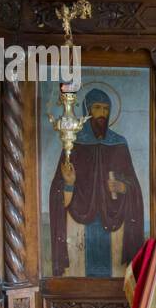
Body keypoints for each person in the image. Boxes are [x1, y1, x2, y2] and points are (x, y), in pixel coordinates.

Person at [49, 87, 145, 277]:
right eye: (97, 108)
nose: (102, 114)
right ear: (87, 111)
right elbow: (57, 191)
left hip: (115, 221)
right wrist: (69, 183)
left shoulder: (118, 144)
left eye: (106, 109)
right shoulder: (74, 144)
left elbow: (134, 186)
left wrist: (123, 186)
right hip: (78, 225)